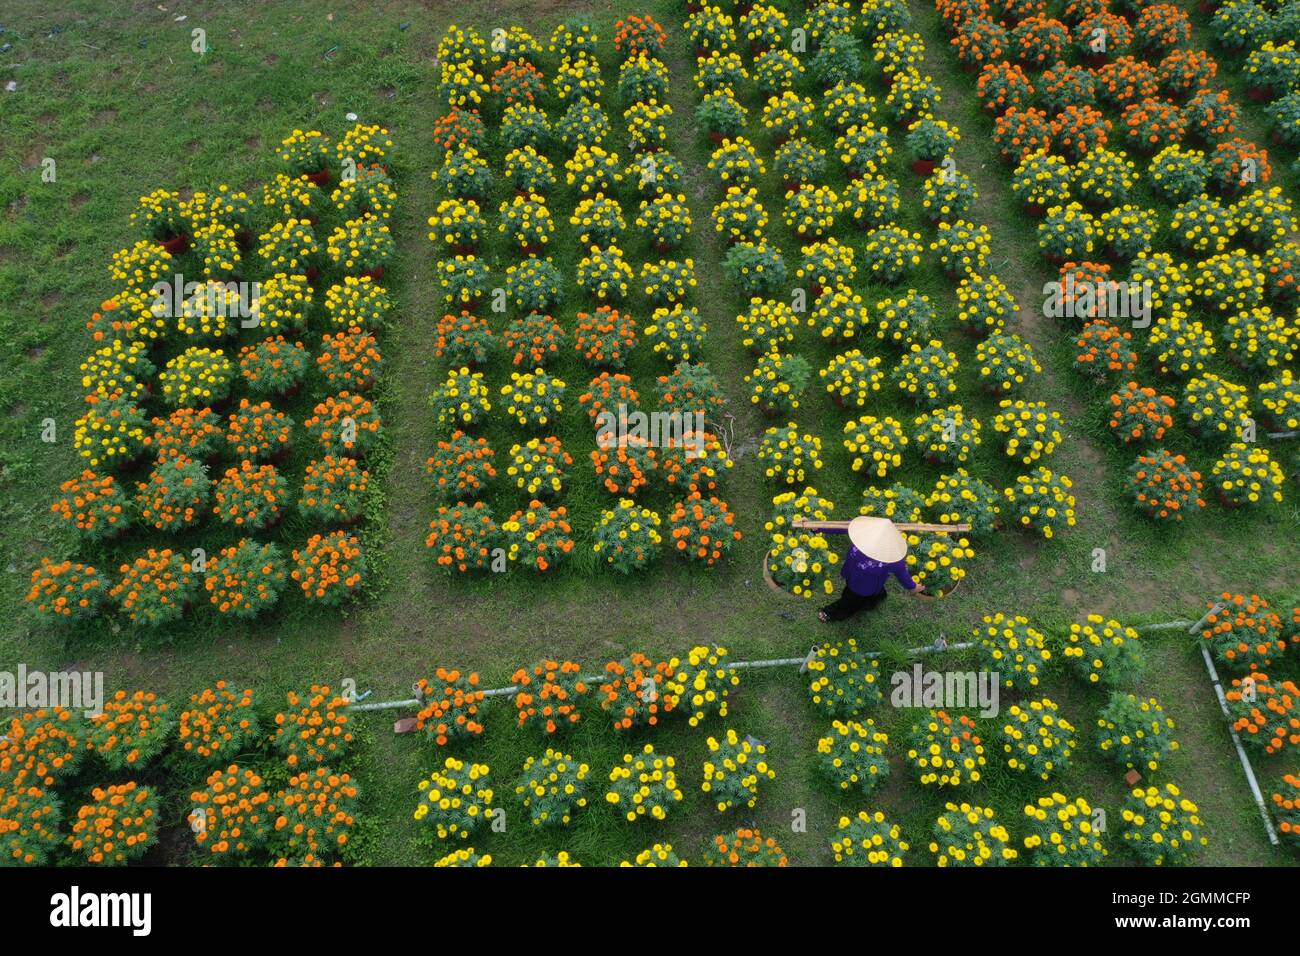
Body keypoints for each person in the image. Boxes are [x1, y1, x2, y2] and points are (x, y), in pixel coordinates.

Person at [792, 515, 923, 622]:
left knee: (857, 598)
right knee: (860, 598)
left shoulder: (893, 559)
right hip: (853, 576)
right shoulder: (861, 530)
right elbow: (838, 527)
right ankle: (846, 609)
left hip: (865, 586)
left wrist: (913, 587)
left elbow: (903, 575)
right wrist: (815, 526)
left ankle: (845, 609)